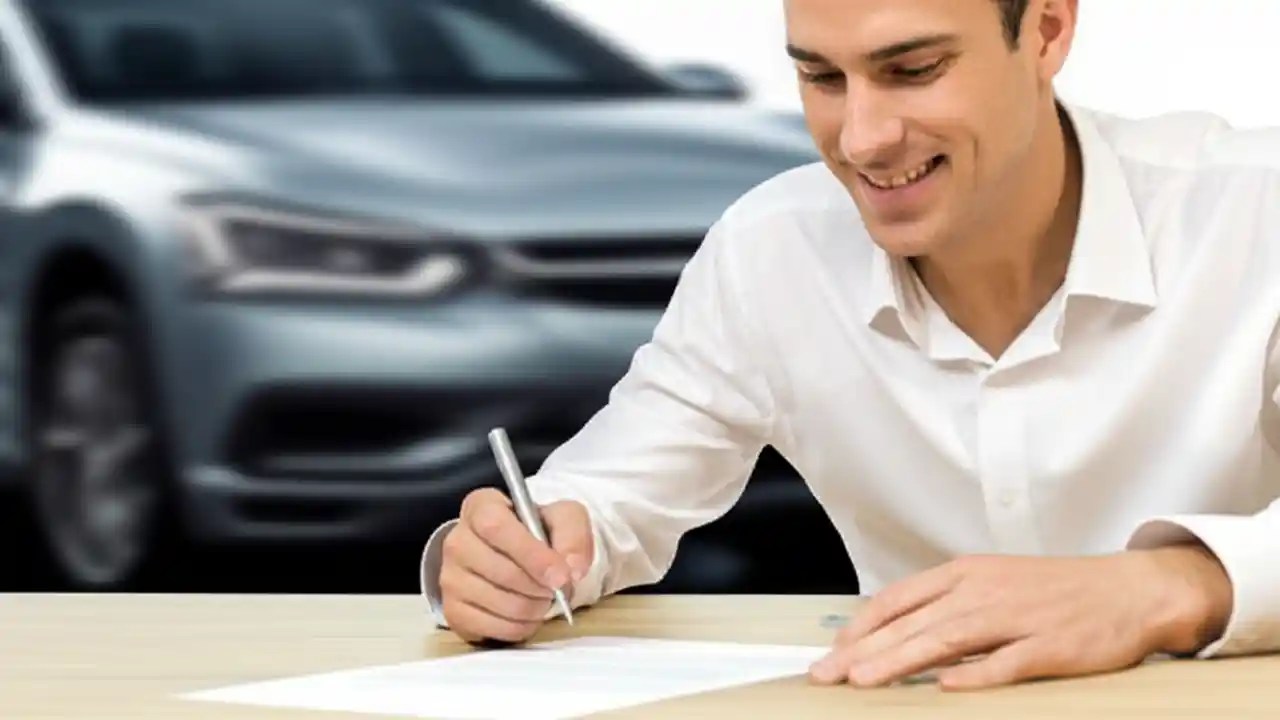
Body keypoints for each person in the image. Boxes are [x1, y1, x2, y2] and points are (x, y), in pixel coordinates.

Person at [420, 0, 1280, 691]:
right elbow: (603, 500)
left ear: (1048, 30)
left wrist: (1170, 588)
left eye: (914, 70)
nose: (862, 138)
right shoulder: (772, 248)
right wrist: (517, 559)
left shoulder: (1254, 213)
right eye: (822, 77)